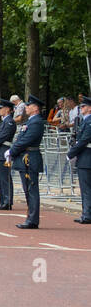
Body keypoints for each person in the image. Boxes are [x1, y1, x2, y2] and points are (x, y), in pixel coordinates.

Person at [9, 95, 46, 229]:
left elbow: (27, 140)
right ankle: (30, 217)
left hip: (30, 158)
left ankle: (33, 219)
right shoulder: (31, 121)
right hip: (26, 158)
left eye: (29, 105)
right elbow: (21, 138)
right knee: (28, 189)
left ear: (35, 108)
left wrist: (12, 151)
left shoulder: (36, 122)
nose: (26, 107)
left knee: (31, 189)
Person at [70, 95, 91, 225]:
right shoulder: (85, 120)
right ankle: (86, 212)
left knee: (86, 188)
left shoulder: (89, 122)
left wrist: (71, 153)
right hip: (85, 157)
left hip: (87, 158)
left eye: (83, 106)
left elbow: (83, 140)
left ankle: (87, 214)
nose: (81, 108)